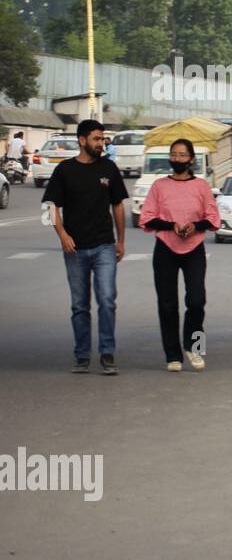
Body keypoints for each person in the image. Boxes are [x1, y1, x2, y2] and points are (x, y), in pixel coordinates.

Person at [41, 119, 128, 375]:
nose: (101, 143)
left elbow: (118, 206)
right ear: (82, 140)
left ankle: (107, 354)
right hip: (75, 249)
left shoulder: (109, 169)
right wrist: (62, 235)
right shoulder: (65, 170)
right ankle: (81, 356)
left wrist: (120, 240)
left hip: (104, 246)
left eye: (102, 139)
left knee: (107, 300)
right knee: (80, 305)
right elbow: (50, 206)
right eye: (96, 139)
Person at [139, 138, 220, 371]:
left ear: (192, 159)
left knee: (197, 301)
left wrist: (195, 225)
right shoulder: (159, 186)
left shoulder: (202, 186)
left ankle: (195, 348)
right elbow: (147, 217)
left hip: (194, 248)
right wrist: (170, 225)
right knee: (167, 304)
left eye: (182, 155)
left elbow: (213, 219)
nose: (177, 159)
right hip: (165, 248)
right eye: (173, 154)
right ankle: (172, 355)